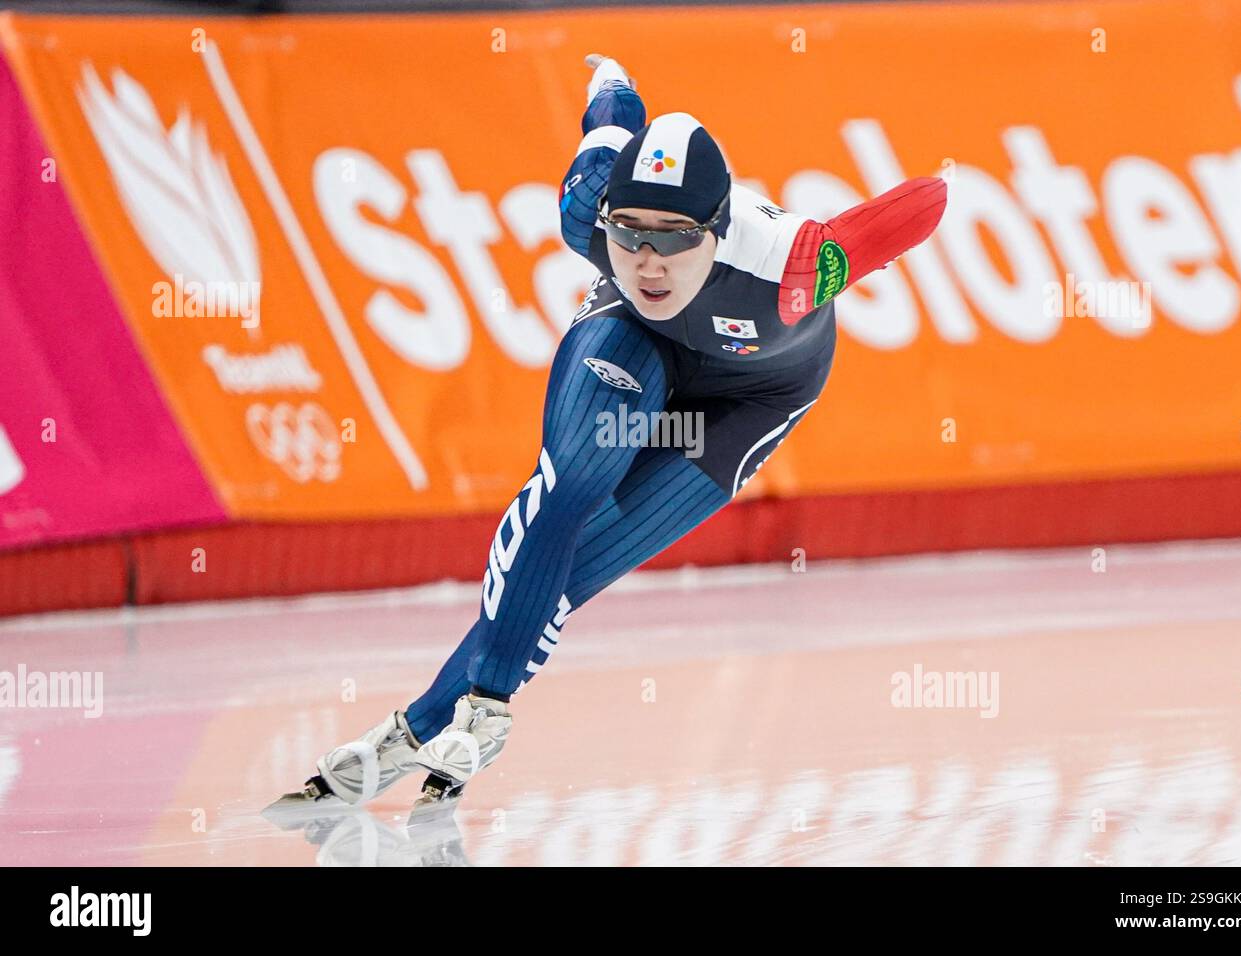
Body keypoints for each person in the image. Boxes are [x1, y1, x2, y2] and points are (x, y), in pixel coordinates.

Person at [271, 54, 947, 812]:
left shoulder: (792, 268)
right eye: (629, 234)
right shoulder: (586, 210)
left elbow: (917, 206)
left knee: (582, 568)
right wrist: (613, 82)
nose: (649, 261)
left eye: (674, 239)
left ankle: (417, 726)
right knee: (569, 488)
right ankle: (484, 713)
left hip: (746, 402)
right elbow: (611, 122)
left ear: (718, 235)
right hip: (638, 340)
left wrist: (944, 176)